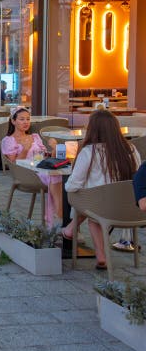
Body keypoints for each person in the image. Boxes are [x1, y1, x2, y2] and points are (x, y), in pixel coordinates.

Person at [62, 110, 141, 270]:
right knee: (95, 204)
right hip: (132, 208)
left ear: (92, 129)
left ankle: (98, 253)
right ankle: (72, 229)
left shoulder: (89, 152)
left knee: (86, 199)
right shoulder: (131, 149)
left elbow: (72, 185)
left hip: (101, 209)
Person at [1, 106, 63, 228]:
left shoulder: (35, 137)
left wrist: (55, 149)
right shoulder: (8, 140)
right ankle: (60, 219)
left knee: (66, 178)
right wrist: (25, 149)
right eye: (22, 119)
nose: (26, 122)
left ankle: (60, 219)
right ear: (13, 121)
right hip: (27, 174)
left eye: (28, 119)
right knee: (56, 177)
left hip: (41, 168)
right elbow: (14, 164)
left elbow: (44, 157)